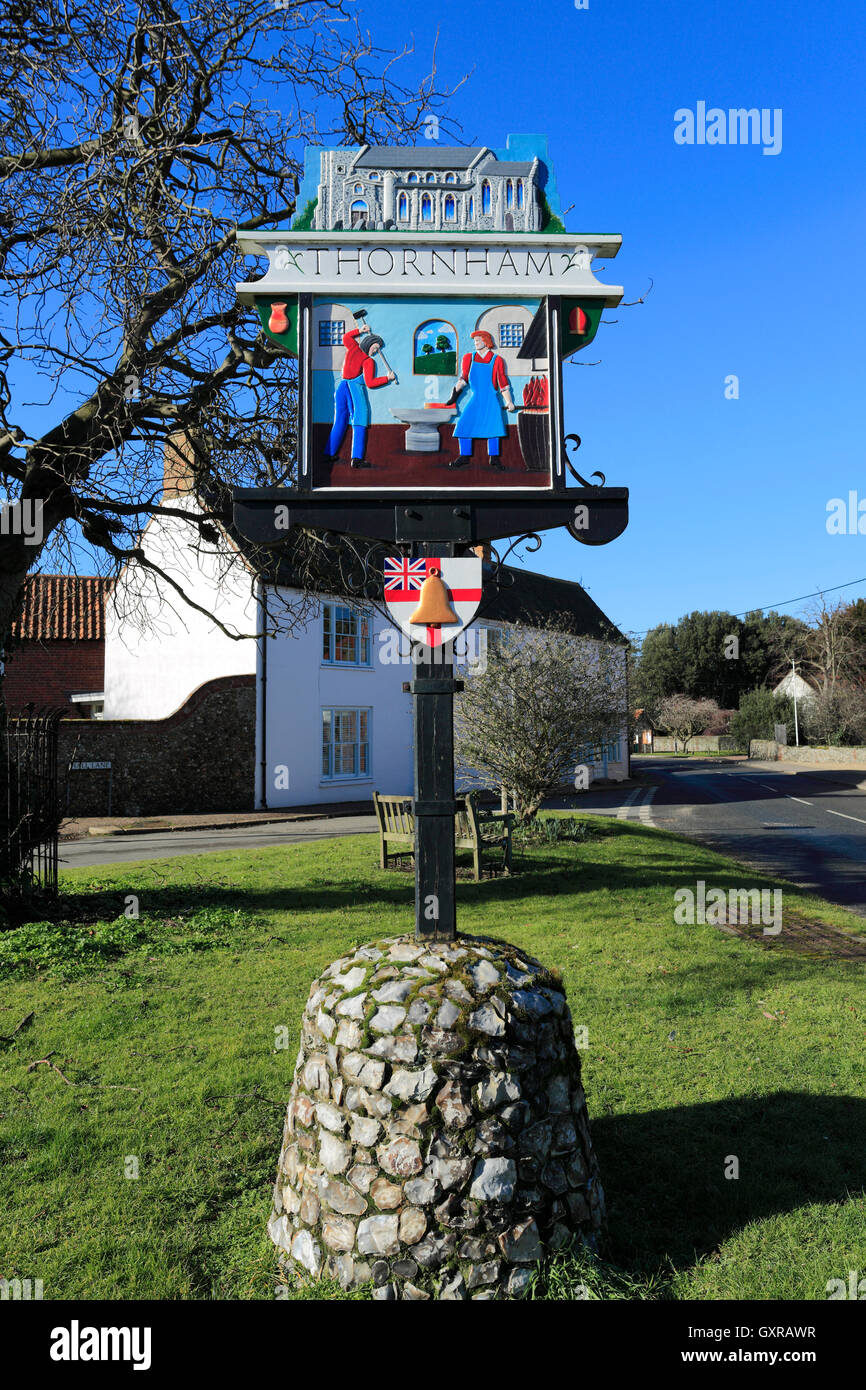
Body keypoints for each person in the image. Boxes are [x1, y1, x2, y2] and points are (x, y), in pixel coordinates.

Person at [449, 329, 518, 471]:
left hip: (491, 399)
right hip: (476, 397)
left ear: (486, 341)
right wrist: (454, 394)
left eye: (478, 340)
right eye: (474, 341)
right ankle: (465, 456)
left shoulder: (497, 360)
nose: (475, 343)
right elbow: (464, 379)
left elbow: (503, 384)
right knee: (463, 424)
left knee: (493, 427)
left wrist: (509, 402)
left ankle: (494, 458)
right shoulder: (469, 358)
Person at [327, 328, 395, 468]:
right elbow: (370, 383)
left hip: (342, 386)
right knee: (360, 419)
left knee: (340, 420)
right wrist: (387, 378)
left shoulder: (353, 348)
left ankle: (329, 453)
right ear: (369, 344)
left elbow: (346, 337)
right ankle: (357, 459)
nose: (375, 352)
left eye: (378, 350)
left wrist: (359, 331)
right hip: (354, 388)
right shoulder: (368, 361)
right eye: (375, 348)